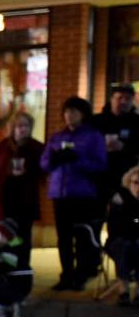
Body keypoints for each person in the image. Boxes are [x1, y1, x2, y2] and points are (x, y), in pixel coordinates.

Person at [41, 96, 108, 290]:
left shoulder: (92, 136)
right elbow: (44, 163)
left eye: (74, 112)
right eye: (67, 112)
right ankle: (66, 275)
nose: (69, 115)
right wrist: (55, 160)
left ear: (83, 114)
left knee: (81, 237)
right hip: (60, 194)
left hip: (82, 193)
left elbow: (100, 164)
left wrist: (77, 160)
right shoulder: (57, 137)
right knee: (63, 237)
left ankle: (81, 274)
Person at [0, 112, 45, 271]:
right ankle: (4, 267)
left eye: (25, 126)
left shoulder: (36, 147)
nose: (22, 129)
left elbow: (43, 172)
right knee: (4, 235)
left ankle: (21, 268)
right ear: (12, 128)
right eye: (19, 126)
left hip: (25, 199)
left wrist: (29, 171)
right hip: (5, 199)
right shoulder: (3, 146)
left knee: (23, 236)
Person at [91, 82, 139, 206]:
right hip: (99, 177)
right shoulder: (96, 121)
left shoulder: (136, 123)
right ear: (112, 99)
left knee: (125, 219)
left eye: (127, 99)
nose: (123, 102)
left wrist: (124, 147)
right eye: (119, 98)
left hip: (127, 178)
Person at [105, 165, 139, 305]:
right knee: (123, 246)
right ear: (128, 183)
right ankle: (123, 289)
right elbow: (116, 227)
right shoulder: (119, 200)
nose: (138, 187)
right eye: (136, 182)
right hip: (119, 241)